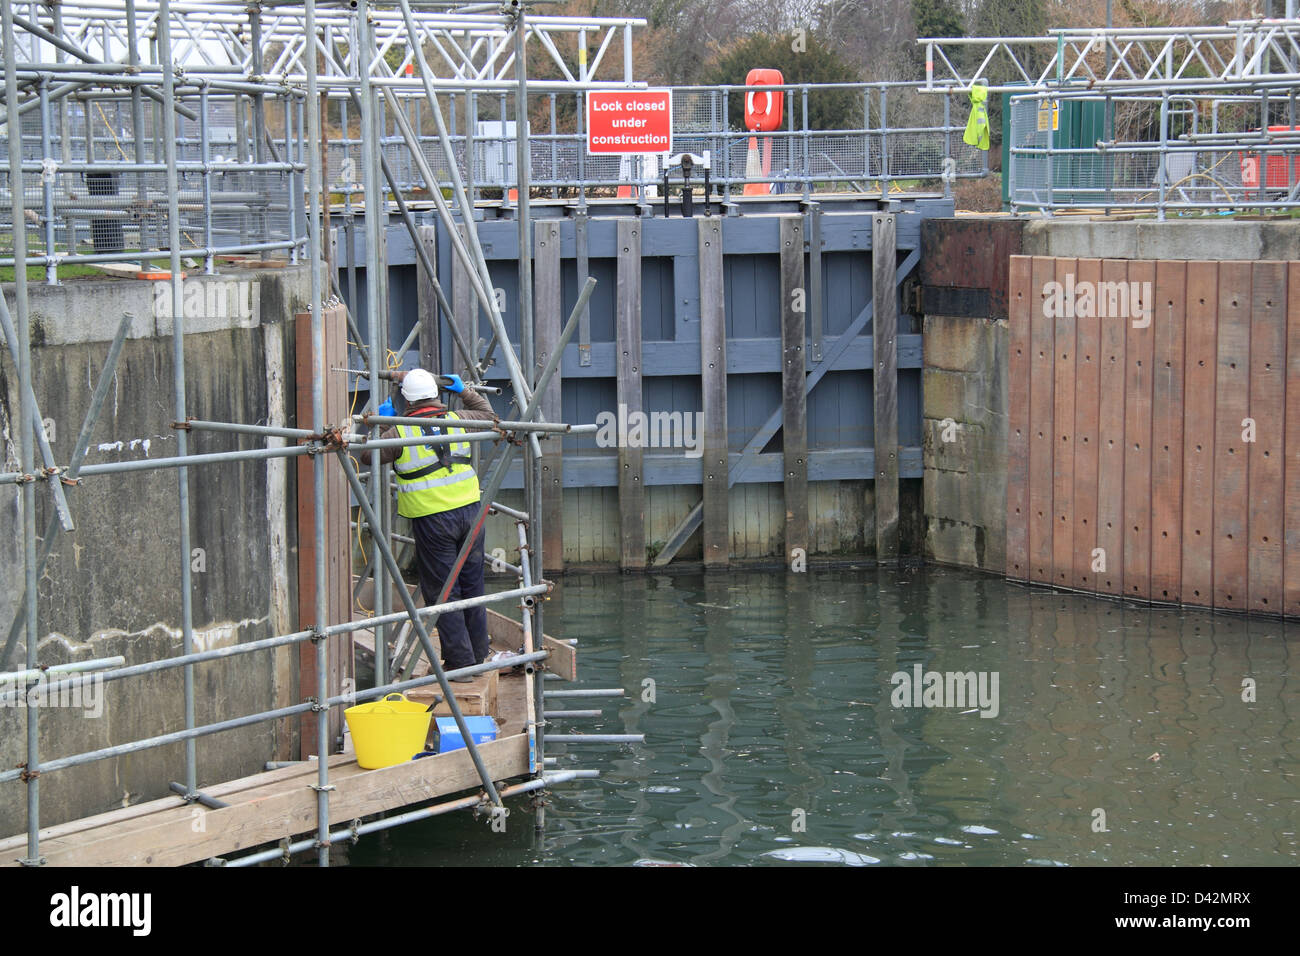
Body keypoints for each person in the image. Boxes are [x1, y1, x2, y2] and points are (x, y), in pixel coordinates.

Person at [378, 369, 496, 680]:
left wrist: (386, 421)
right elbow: (489, 415)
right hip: (471, 514)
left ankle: (460, 665)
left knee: (444, 593)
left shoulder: (399, 432)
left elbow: (367, 455)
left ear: (406, 399)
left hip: (433, 521)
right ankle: (478, 656)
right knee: (472, 586)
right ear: (435, 393)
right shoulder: (458, 418)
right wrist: (466, 391)